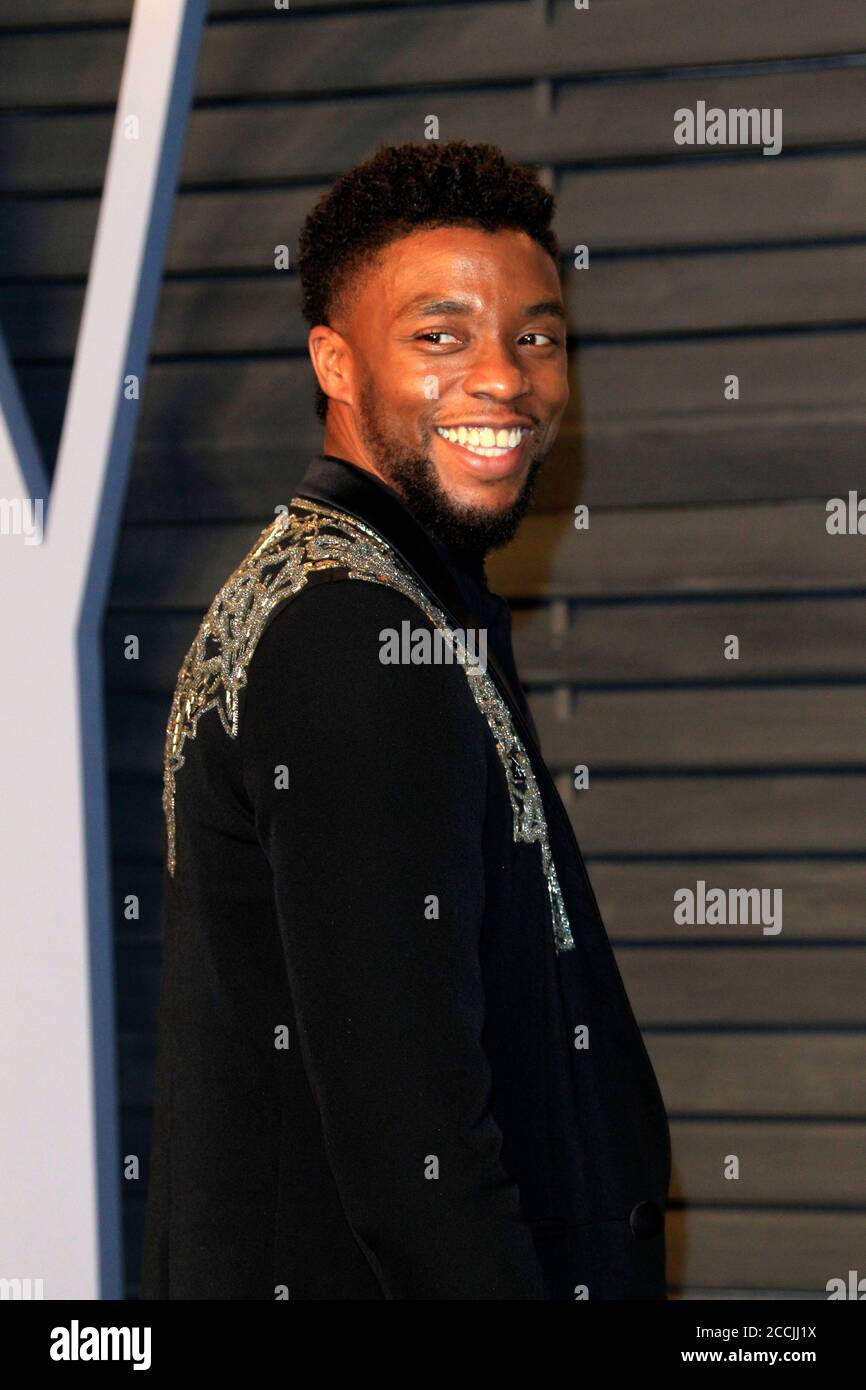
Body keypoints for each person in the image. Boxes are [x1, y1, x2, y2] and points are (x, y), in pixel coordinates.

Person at [140, 140, 671, 1301]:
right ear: (334, 361)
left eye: (535, 335)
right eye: (439, 336)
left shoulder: (380, 598)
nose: (502, 380)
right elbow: (414, 1152)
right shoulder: (352, 637)